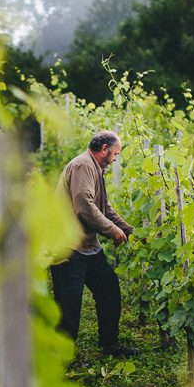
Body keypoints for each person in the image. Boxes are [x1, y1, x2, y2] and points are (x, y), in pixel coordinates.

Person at [50, 130, 138, 357]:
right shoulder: (83, 166)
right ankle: (63, 357)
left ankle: (109, 344)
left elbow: (104, 207)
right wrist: (112, 230)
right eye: (115, 154)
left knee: (109, 289)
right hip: (69, 247)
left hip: (88, 246)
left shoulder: (95, 168)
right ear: (104, 149)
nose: (116, 159)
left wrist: (127, 230)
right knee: (68, 306)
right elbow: (84, 206)